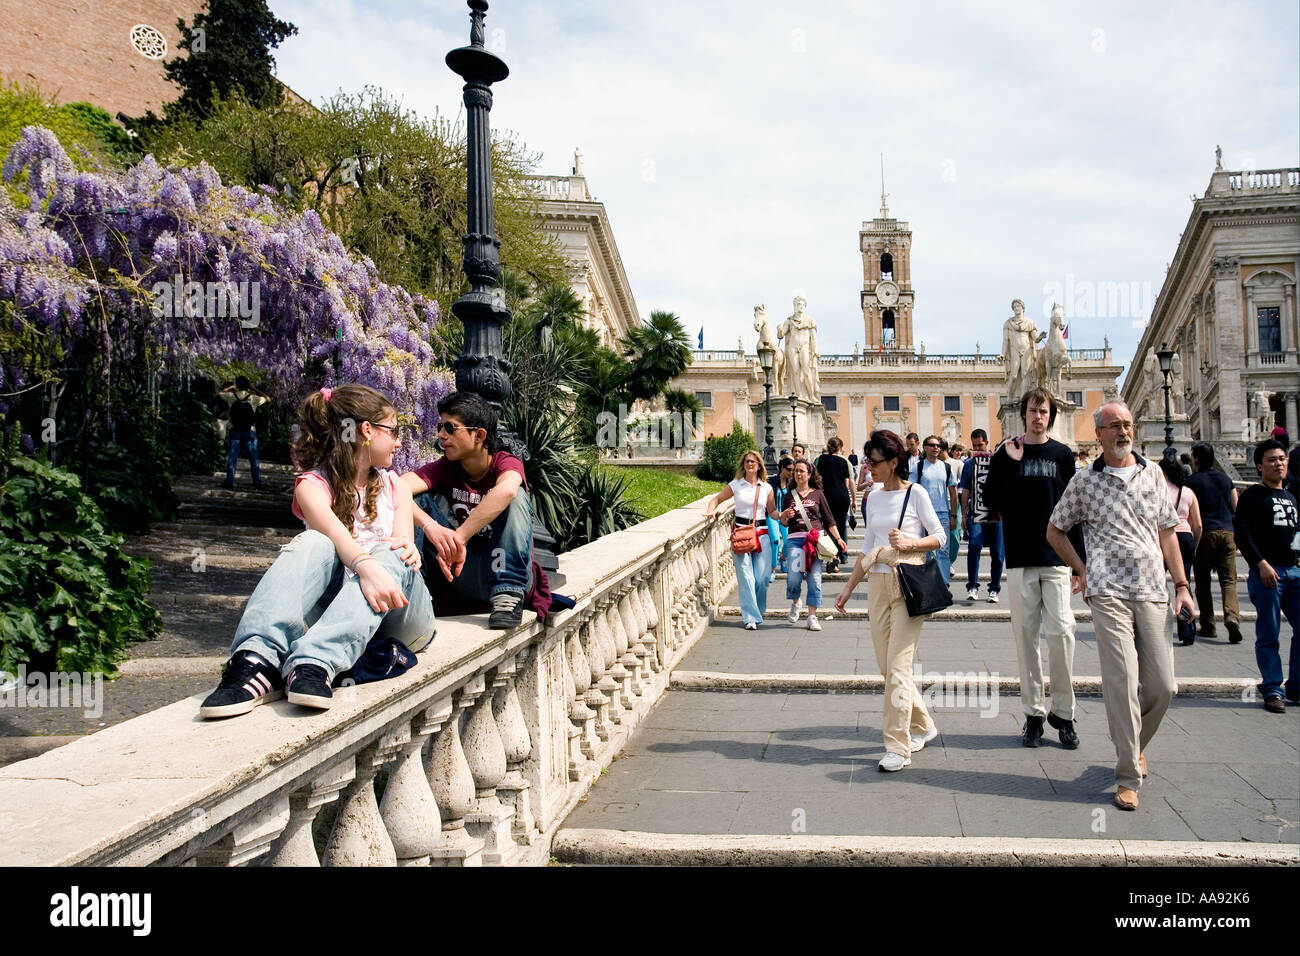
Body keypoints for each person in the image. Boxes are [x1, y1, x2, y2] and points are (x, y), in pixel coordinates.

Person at [200, 385, 435, 717]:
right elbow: (337, 537)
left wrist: (403, 552)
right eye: (394, 430)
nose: (399, 442)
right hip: (342, 612)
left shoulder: (397, 487)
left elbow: (401, 549)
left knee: (391, 553)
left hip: (403, 616)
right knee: (314, 542)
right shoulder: (312, 486)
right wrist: (364, 568)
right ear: (366, 431)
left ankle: (314, 661)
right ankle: (255, 660)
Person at [1046, 401, 1193, 811]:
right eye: (1114, 425)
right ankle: (1127, 774)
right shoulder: (1084, 482)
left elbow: (1168, 533)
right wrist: (1081, 569)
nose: (1123, 431)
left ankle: (1134, 744)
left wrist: (1182, 585)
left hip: (1152, 588)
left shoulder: (1154, 474)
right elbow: (1055, 530)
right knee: (1123, 681)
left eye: (1127, 424)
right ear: (1099, 434)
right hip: (1107, 590)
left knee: (1163, 685)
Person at [834, 429, 946, 772]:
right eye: (868, 461)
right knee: (887, 668)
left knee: (898, 667)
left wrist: (911, 542)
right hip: (877, 585)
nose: (869, 468)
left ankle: (897, 746)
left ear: (894, 462)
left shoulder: (917, 494)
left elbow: (940, 536)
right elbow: (868, 548)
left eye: (875, 462)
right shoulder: (873, 498)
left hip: (907, 582)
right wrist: (849, 587)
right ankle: (924, 724)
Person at [985, 389, 1083, 747]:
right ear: (1023, 414)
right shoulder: (1007, 453)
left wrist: (1079, 564)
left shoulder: (1062, 455)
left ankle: (1065, 712)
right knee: (1026, 639)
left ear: (1050, 415)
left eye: (1043, 410)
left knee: (1062, 635)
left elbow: (1076, 512)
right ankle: (1033, 714)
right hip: (1021, 557)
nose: (1037, 416)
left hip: (1057, 558)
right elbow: (991, 500)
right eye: (1032, 410)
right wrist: (1010, 461)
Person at [402, 392, 543, 630]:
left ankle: (507, 596)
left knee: (516, 495)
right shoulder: (447, 467)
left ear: (479, 435)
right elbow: (397, 487)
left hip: (501, 569)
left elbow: (507, 490)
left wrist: (459, 537)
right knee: (416, 499)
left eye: (450, 428)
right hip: (463, 570)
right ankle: (411, 588)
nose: (441, 435)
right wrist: (430, 526)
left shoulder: (505, 462)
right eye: (440, 426)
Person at [1234, 439, 1299, 712]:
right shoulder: (1252, 496)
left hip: (1293, 570)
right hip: (1267, 572)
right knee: (1269, 632)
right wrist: (1260, 564)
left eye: (1282, 458)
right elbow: (1243, 533)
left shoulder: (1291, 496)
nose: (1279, 463)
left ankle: (1295, 685)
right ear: (1260, 466)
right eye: (1272, 460)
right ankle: (1272, 688)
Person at [706, 450, 782, 630]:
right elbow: (717, 499)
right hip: (740, 533)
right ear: (743, 465)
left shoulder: (766, 488)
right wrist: (710, 510)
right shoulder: (736, 484)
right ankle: (750, 617)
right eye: (747, 461)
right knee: (746, 577)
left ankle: (758, 609)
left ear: (759, 466)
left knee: (762, 579)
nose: (750, 464)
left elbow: (772, 512)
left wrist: (782, 515)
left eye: (753, 462)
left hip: (762, 533)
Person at [779, 458, 848, 631]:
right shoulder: (789, 496)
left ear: (809, 474)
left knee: (814, 579)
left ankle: (812, 616)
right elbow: (785, 523)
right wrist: (786, 515)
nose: (798, 474)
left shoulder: (818, 494)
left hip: (815, 541)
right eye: (796, 471)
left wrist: (838, 539)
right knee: (794, 579)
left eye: (802, 471)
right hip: (795, 540)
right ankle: (796, 602)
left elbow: (829, 518)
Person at [1187, 442, 1243, 643]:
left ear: (1196, 460)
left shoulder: (1192, 481)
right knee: (1229, 580)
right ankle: (1232, 617)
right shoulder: (1226, 479)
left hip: (1205, 533)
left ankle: (1208, 625)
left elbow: (1190, 511)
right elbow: (1236, 506)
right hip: (1227, 531)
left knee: (1202, 581)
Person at [1159, 457, 1203, 645]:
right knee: (1183, 585)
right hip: (1185, 537)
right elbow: (1198, 524)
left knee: (1158, 584)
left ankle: (1158, 628)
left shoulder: (1159, 491)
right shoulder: (1188, 492)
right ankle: (1187, 631)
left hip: (1164, 538)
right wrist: (1195, 543)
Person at [959, 429, 1004, 603]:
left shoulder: (999, 462)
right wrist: (963, 514)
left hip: (997, 515)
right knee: (974, 546)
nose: (978, 449)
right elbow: (965, 490)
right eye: (974, 446)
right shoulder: (969, 464)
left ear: (987, 442)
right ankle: (972, 586)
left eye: (980, 445)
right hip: (976, 513)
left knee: (998, 554)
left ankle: (994, 588)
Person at [913, 435, 958, 585]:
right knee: (925, 551)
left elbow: (953, 492)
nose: (936, 448)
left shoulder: (945, 467)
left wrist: (953, 515)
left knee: (943, 549)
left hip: (942, 513)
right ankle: (928, 584)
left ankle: (944, 584)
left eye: (938, 445)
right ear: (925, 448)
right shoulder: (918, 467)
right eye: (932, 445)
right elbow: (912, 490)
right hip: (923, 514)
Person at [219, 376, 270, 489]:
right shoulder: (253, 398)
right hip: (250, 431)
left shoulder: (231, 396)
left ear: (237, 385)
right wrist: (254, 388)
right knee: (254, 458)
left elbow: (219, 393)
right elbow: (267, 398)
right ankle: (257, 483)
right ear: (248, 385)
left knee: (232, 456)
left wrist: (231, 387)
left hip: (235, 429)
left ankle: (229, 481)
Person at [815, 436, 855, 572]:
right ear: (840, 448)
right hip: (842, 497)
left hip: (828, 497)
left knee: (828, 528)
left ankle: (832, 559)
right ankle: (837, 557)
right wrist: (852, 499)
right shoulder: (843, 461)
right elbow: (847, 483)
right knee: (840, 528)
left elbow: (819, 479)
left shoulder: (822, 460)